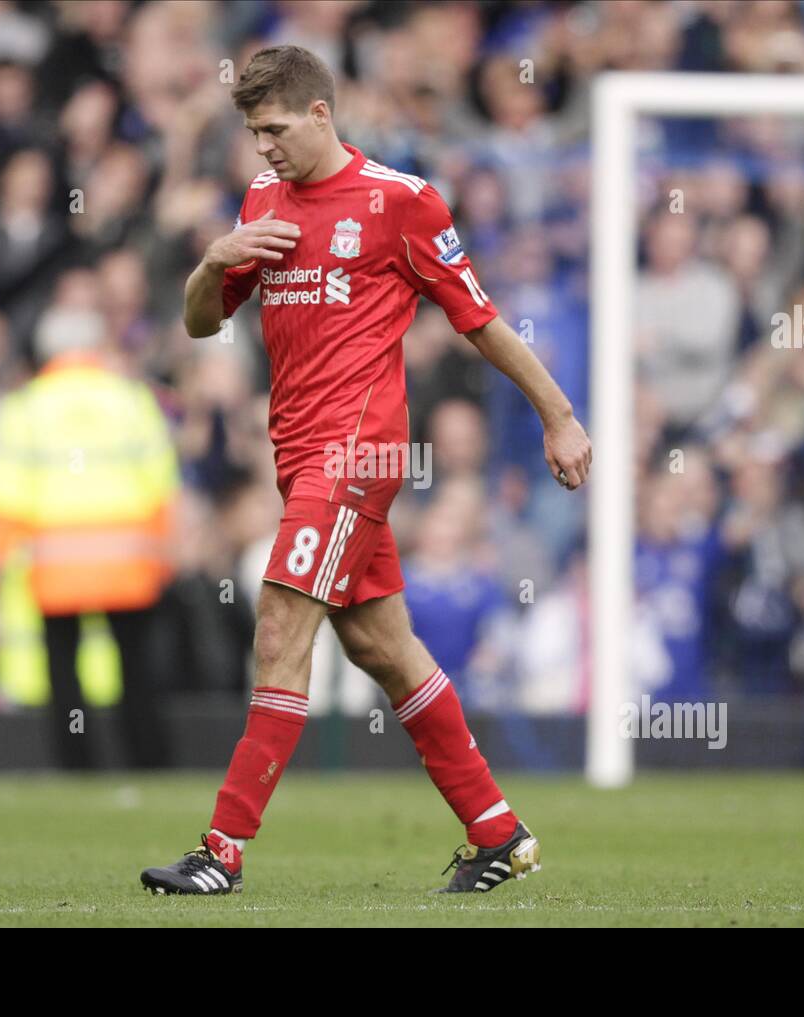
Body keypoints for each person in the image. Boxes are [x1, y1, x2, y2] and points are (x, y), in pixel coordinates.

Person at [140, 45, 591, 896]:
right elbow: (202, 324)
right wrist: (215, 259)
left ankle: (222, 851)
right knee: (384, 647)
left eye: (273, 128)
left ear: (319, 114)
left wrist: (558, 414)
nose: (263, 146)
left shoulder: (400, 201)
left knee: (278, 630)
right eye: (250, 132)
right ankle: (499, 831)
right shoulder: (262, 201)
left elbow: (481, 320)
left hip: (359, 454)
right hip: (299, 455)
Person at [0, 306, 181, 769]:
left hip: (56, 566)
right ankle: (148, 759)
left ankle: (77, 763)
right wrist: (165, 558)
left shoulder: (25, 408)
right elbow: (163, 486)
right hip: (128, 563)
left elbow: (1, 496)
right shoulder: (131, 399)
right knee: (134, 667)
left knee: (64, 671)